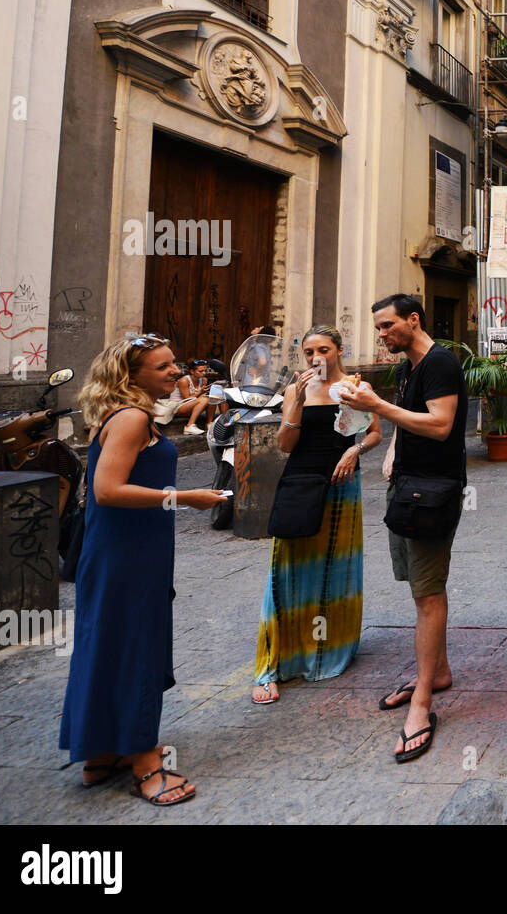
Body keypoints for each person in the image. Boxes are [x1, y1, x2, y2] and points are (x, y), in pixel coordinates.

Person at [60, 334, 228, 805]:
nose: (175, 372)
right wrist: (188, 498)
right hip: (126, 552)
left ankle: (100, 752)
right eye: (163, 368)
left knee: (110, 644)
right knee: (136, 646)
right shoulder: (133, 418)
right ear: (132, 377)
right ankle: (144, 761)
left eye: (174, 363)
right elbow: (108, 490)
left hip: (125, 548)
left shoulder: (128, 413)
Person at [339, 295, 468, 763]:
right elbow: (405, 417)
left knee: (429, 594)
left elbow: (440, 425)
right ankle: (438, 672)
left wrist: (377, 406)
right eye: (378, 327)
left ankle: (421, 706)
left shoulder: (440, 364)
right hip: (408, 489)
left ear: (414, 320)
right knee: (419, 588)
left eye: (388, 325)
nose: (382, 334)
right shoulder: (407, 368)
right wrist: (393, 447)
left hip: (433, 495)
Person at [252, 325, 382, 704]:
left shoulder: (358, 386)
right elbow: (284, 445)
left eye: (323, 350)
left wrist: (354, 450)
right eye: (309, 352)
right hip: (301, 482)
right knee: (285, 570)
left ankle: (326, 650)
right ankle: (272, 665)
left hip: (342, 485)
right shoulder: (296, 389)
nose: (315, 358)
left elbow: (375, 433)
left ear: (339, 350)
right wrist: (293, 401)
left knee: (334, 568)